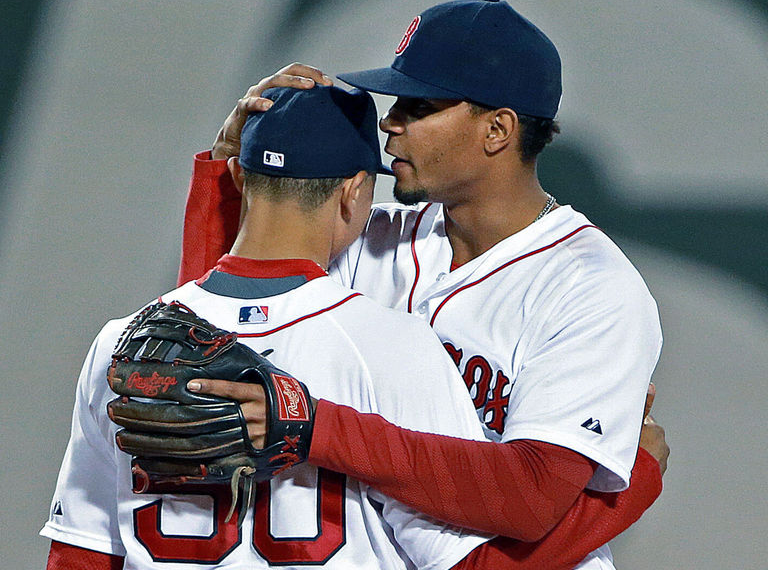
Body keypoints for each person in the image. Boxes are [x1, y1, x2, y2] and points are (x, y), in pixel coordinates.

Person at [42, 85, 661, 570]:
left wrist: (228, 173)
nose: (393, 123)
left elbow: (82, 547)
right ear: (354, 193)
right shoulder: (394, 341)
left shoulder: (124, 345)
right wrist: (632, 483)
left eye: (419, 106)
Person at [176, 0, 668, 569]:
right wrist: (230, 174)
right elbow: (205, 348)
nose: (390, 121)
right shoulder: (362, 237)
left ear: (497, 130)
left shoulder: (590, 289)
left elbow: (530, 497)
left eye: (420, 105)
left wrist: (313, 426)